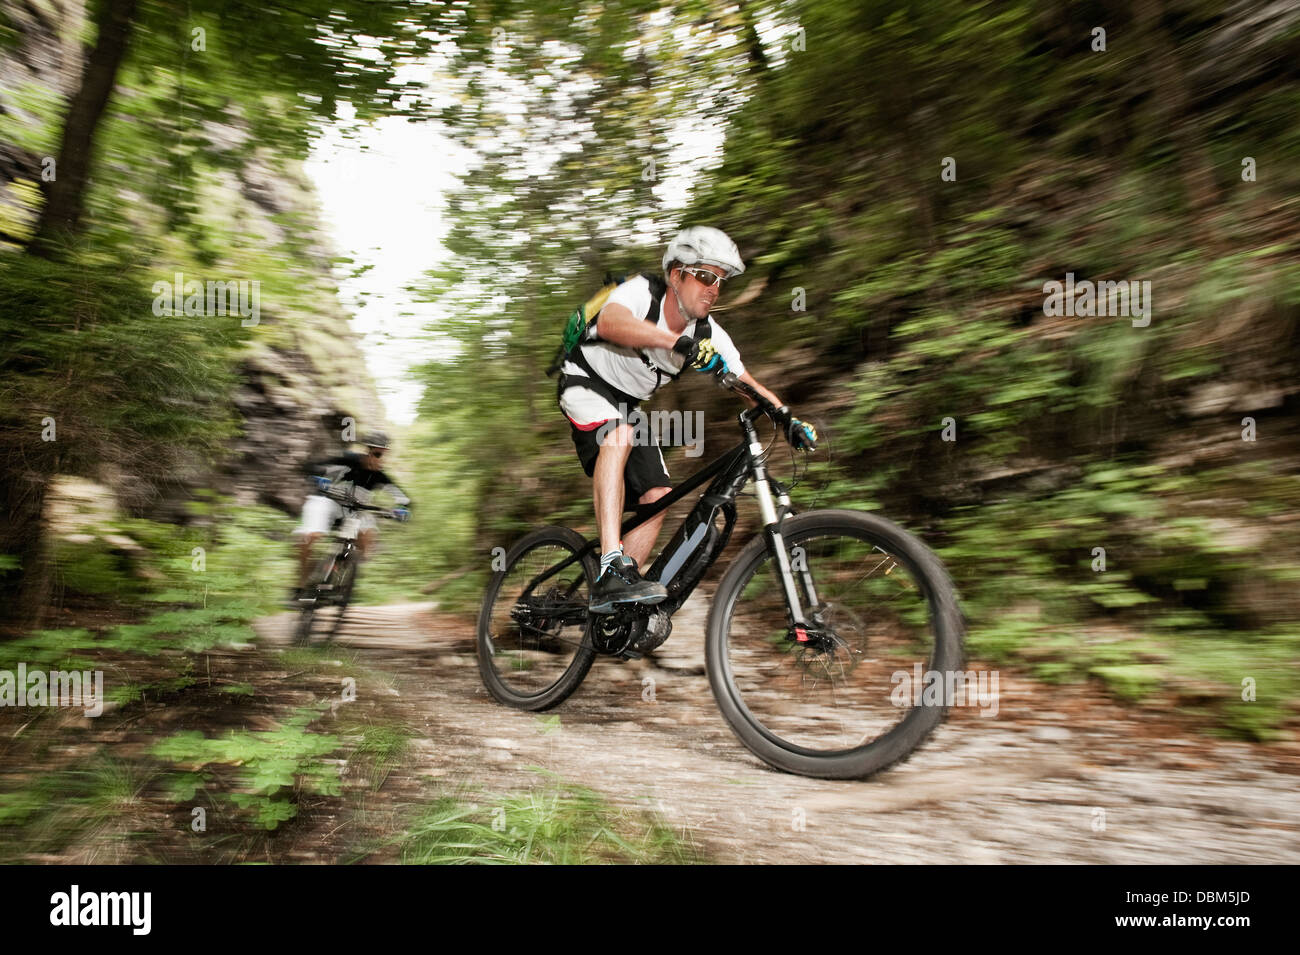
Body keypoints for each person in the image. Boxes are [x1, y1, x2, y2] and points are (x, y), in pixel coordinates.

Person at [557, 226, 816, 613]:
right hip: (584, 380)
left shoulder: (710, 333)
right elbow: (611, 323)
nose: (714, 288)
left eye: (721, 281)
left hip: (627, 403)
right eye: (706, 276)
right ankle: (611, 565)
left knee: (659, 496)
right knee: (621, 432)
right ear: (677, 274)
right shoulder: (644, 292)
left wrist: (785, 417)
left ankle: (622, 595)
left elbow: (747, 382)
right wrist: (678, 343)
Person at [291, 431, 411, 601]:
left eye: (383, 455)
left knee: (367, 536)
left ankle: (345, 571)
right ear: (367, 451)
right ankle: (300, 585)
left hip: (356, 510)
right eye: (377, 454)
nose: (380, 459)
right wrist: (318, 476)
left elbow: (403, 498)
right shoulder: (348, 461)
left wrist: (402, 509)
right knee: (309, 536)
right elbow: (312, 466)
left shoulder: (380, 476)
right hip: (329, 502)